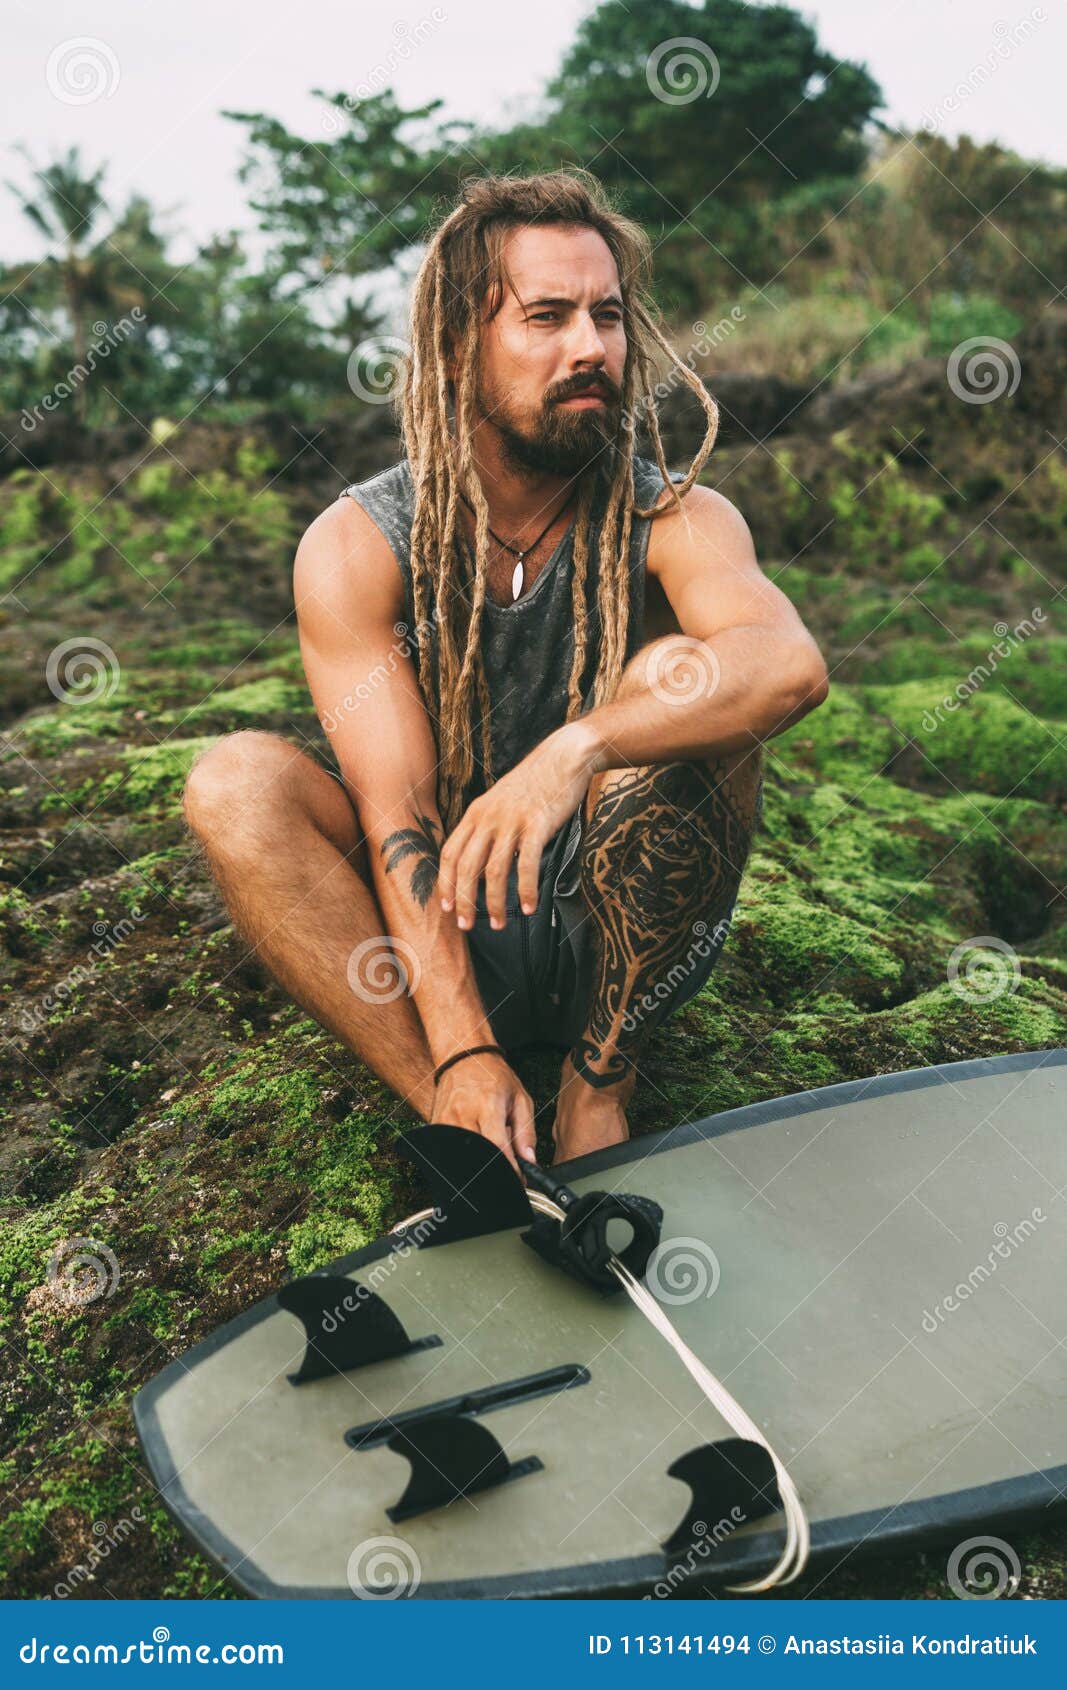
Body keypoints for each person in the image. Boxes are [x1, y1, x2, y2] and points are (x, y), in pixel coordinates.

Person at [181, 168, 828, 1171]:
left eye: (606, 316)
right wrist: (463, 1051)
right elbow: (396, 817)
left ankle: (592, 1081)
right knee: (234, 781)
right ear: (457, 343)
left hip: (623, 931)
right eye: (546, 316)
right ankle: (462, 1117)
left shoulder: (676, 516)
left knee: (676, 673)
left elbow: (784, 663)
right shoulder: (359, 543)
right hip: (441, 937)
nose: (590, 348)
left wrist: (578, 748)